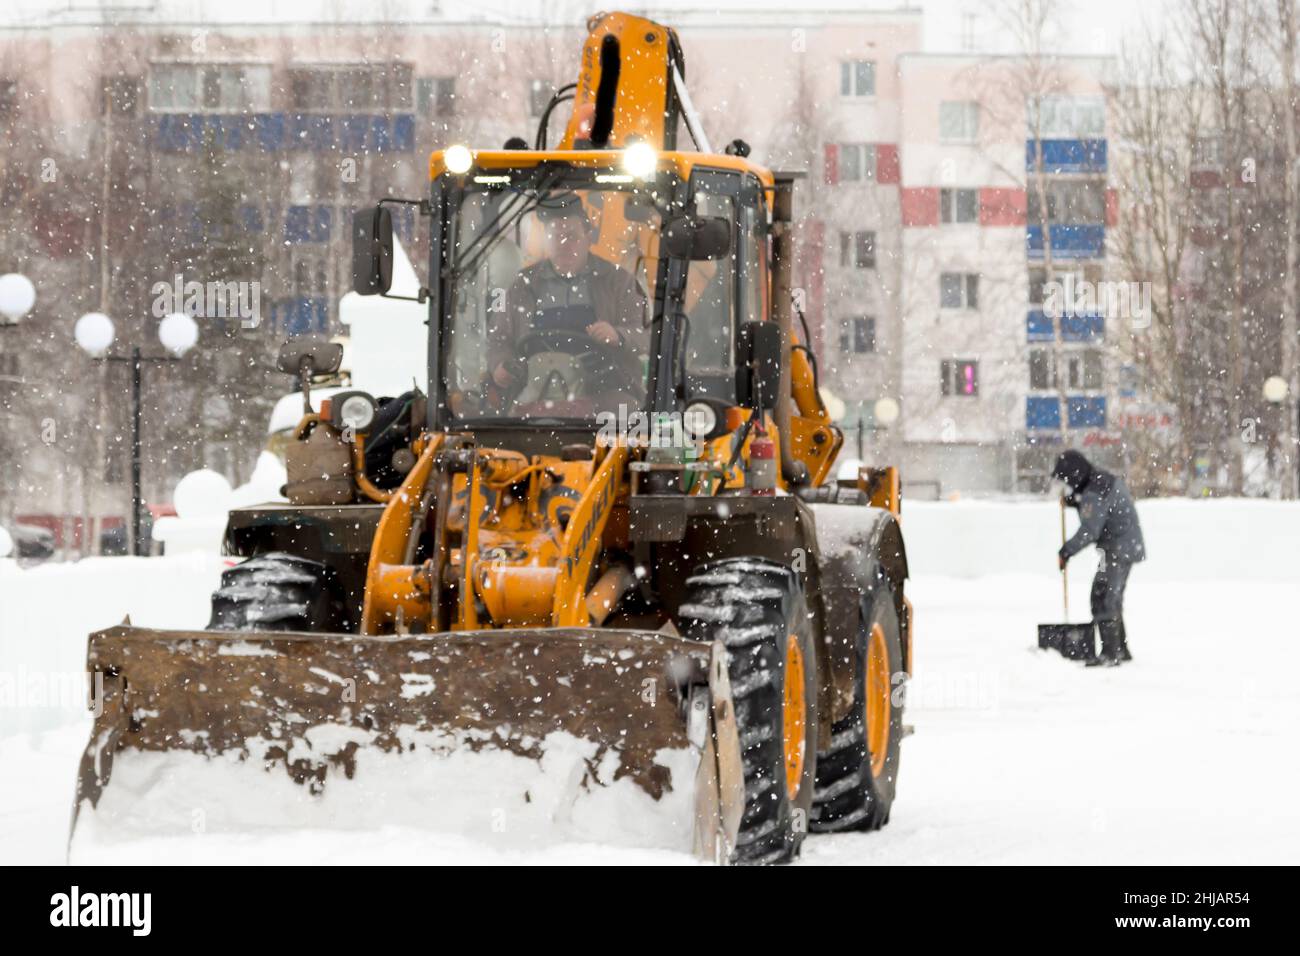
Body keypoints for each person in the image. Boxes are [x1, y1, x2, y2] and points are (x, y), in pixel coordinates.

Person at [487, 195, 647, 404]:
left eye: (571, 236)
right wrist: (500, 364)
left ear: (589, 238)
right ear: (546, 240)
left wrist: (619, 336)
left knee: (622, 415)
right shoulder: (522, 285)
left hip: (604, 389)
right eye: (555, 236)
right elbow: (499, 339)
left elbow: (646, 335)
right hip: (534, 390)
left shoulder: (619, 282)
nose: (564, 244)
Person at [1053, 449, 1146, 667]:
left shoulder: (1094, 490)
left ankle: (1111, 653)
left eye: (1066, 479)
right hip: (1121, 546)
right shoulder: (1098, 481)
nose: (1066, 484)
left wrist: (1066, 551)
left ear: (1074, 475)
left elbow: (1090, 529)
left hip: (1117, 549)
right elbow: (1098, 509)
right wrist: (1075, 502)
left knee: (1103, 596)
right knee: (1108, 596)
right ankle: (1119, 650)